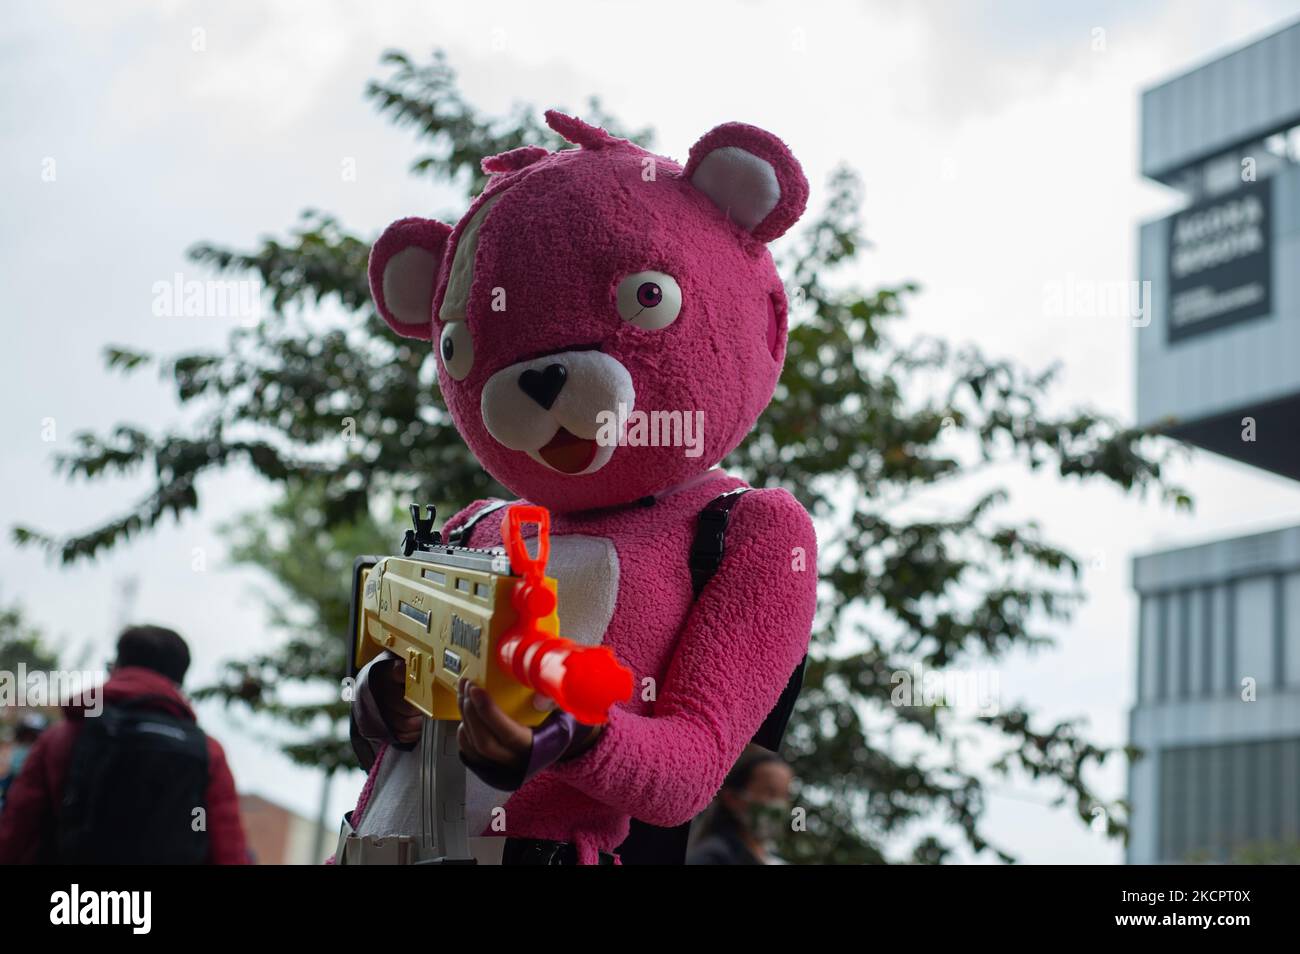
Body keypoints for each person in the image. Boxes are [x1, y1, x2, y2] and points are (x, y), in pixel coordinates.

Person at [0, 625, 248, 864]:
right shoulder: (206, 752)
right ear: (179, 680)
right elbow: (228, 851)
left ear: (118, 666)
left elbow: (16, 832)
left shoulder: (61, 737)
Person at [686, 747, 794, 865]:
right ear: (733, 798)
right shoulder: (714, 857)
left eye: (785, 795)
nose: (780, 804)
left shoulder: (768, 857)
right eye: (770, 793)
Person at [0, 713, 48, 810]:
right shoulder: (5, 783)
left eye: (31, 740)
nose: (26, 745)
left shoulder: (46, 789)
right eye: (23, 739)